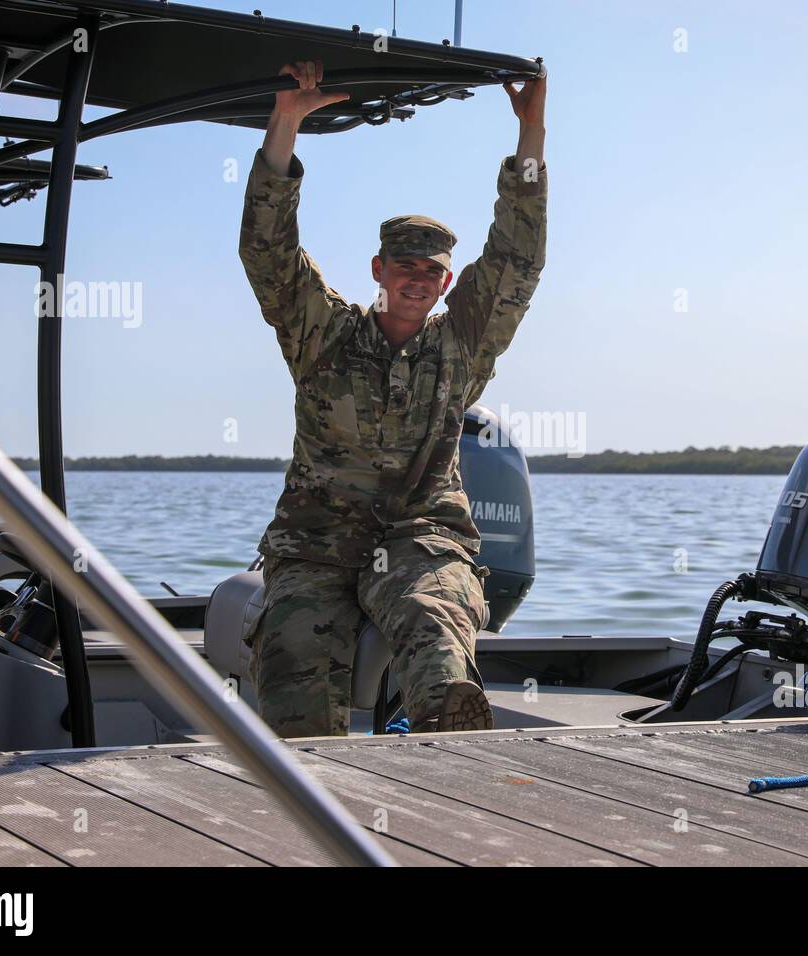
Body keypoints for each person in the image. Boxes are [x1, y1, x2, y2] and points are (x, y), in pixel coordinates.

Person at [238, 60, 547, 736]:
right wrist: (286, 122)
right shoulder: (322, 333)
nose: (415, 279)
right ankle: (312, 797)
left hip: (421, 537)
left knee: (438, 629)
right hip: (316, 544)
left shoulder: (462, 344)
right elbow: (269, 253)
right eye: (403, 266)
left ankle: (453, 754)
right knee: (293, 653)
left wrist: (530, 136)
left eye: (429, 271)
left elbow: (516, 260)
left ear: (446, 283)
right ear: (379, 269)